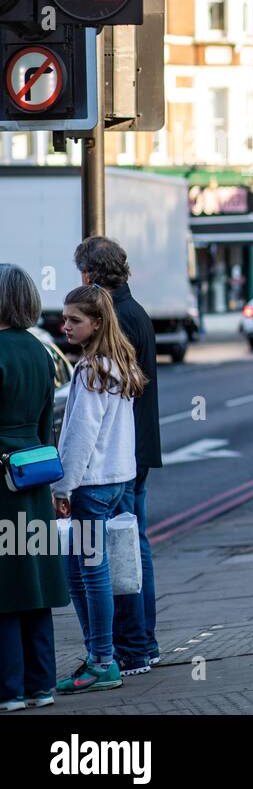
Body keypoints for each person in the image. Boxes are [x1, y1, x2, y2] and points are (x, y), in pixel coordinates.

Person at [74, 237, 162, 674]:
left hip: (118, 459)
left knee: (112, 554)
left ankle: (130, 649)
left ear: (90, 274)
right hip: (137, 451)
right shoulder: (137, 311)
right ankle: (144, 642)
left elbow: (97, 415)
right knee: (133, 544)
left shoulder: (116, 318)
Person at [54, 285, 146, 692]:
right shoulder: (116, 364)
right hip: (115, 480)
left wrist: (63, 487)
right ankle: (97, 654)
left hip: (91, 486)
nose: (66, 325)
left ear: (97, 323)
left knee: (90, 574)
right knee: (80, 570)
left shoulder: (91, 371)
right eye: (66, 317)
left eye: (75, 319)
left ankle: (103, 661)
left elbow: (80, 437)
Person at [0, 265, 71, 712]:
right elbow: (47, 424)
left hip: (1, 480)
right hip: (35, 475)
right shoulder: (41, 351)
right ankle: (42, 684)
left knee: (5, 589)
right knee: (36, 587)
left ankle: (8, 690)